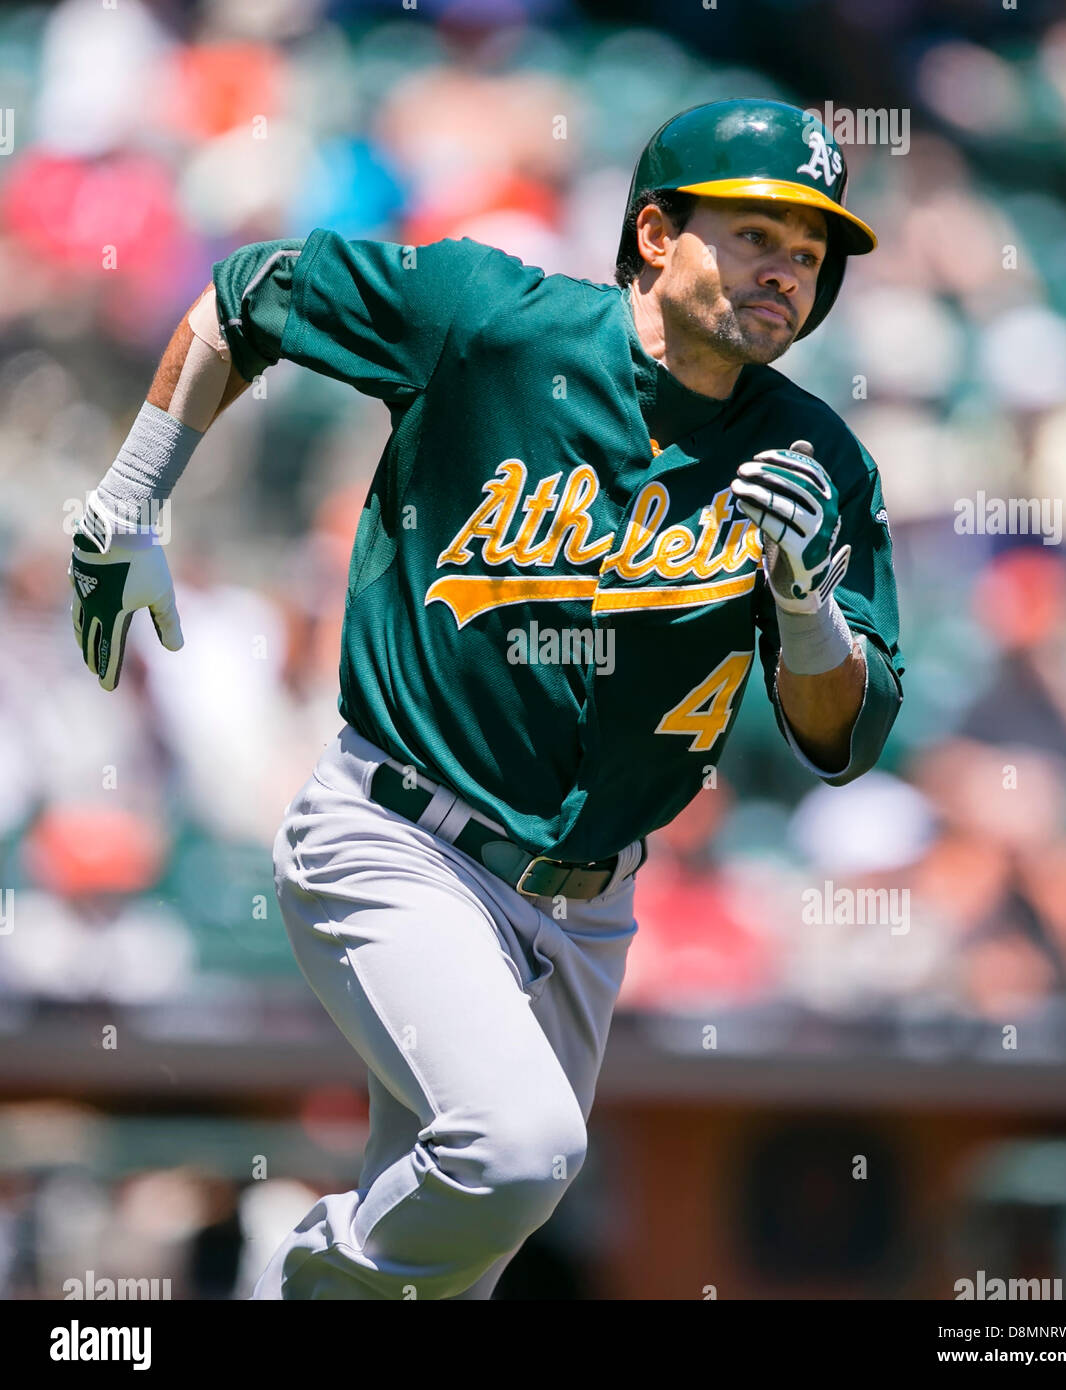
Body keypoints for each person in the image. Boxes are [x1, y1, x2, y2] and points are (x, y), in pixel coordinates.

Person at [68, 99, 905, 1300]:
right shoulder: (491, 320)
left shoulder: (818, 460)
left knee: (457, 1264)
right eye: (760, 234)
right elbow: (254, 293)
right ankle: (288, 1272)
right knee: (518, 1150)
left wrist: (807, 610)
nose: (788, 271)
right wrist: (132, 494)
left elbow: (843, 736)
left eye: (811, 254)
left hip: (589, 906)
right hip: (399, 832)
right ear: (658, 233)